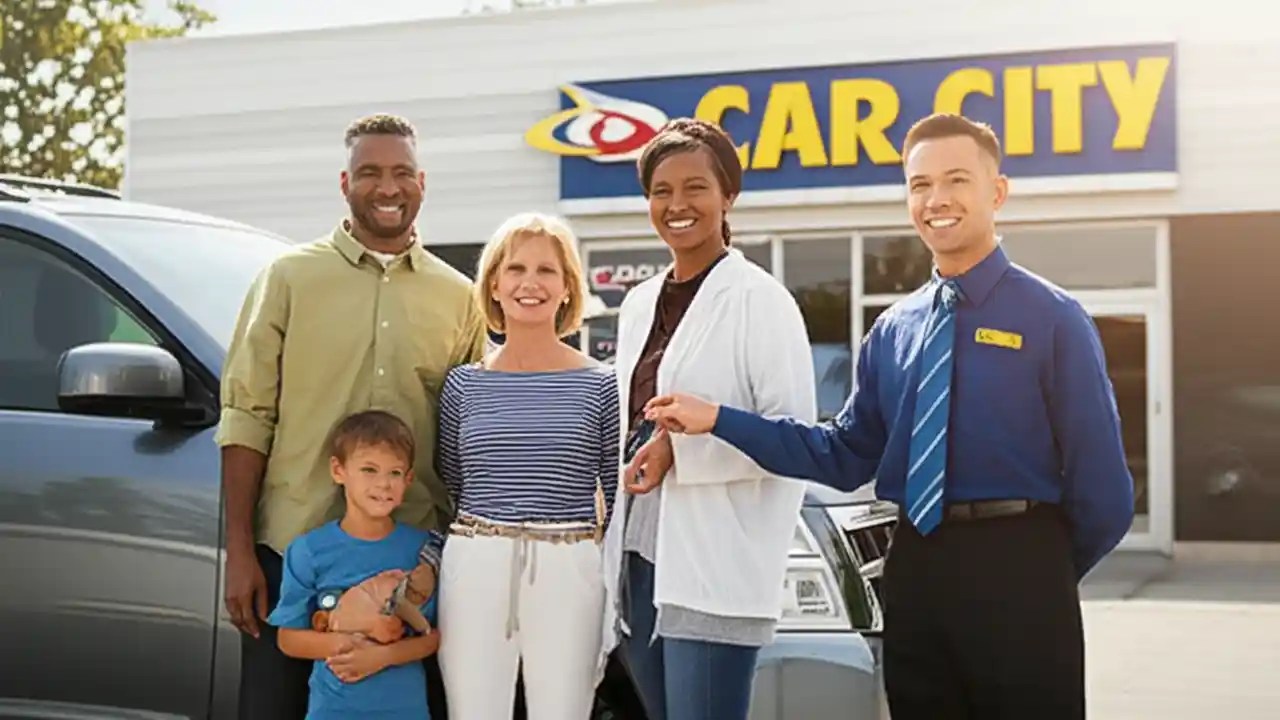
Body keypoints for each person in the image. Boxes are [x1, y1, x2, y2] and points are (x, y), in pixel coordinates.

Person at [643, 112, 1135, 720]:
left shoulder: (1053, 319)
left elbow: (1105, 494)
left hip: (1021, 572)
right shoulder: (895, 330)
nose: (937, 199)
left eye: (957, 180)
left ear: (997, 192)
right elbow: (842, 455)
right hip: (916, 570)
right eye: (920, 184)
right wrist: (719, 418)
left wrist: (1041, 577)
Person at [215, 113, 486, 719]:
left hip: (411, 570)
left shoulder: (459, 297)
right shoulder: (288, 279)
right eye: (369, 173)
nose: (386, 188)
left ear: (422, 182)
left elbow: (469, 434)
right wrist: (238, 551)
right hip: (290, 552)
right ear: (345, 183)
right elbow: (246, 414)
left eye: (400, 174)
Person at [597, 118, 817, 720]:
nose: (677, 205)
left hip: (714, 561)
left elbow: (796, 442)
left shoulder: (760, 300)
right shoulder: (639, 303)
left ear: (727, 196)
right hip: (639, 559)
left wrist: (681, 449)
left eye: (695, 187)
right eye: (661, 191)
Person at [434, 212, 619, 719]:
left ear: (567, 289)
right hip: (475, 562)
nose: (530, 283)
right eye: (515, 269)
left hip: (570, 563)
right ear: (494, 283)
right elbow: (453, 480)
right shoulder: (462, 386)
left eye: (547, 271)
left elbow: (615, 490)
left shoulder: (602, 385)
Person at [268, 410, 442, 720]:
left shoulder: (423, 550)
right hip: (333, 711)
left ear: (409, 479)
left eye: (395, 473)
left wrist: (381, 657)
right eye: (369, 470)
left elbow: (431, 638)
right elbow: (289, 639)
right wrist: (348, 643)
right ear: (338, 470)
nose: (384, 484)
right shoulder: (309, 550)